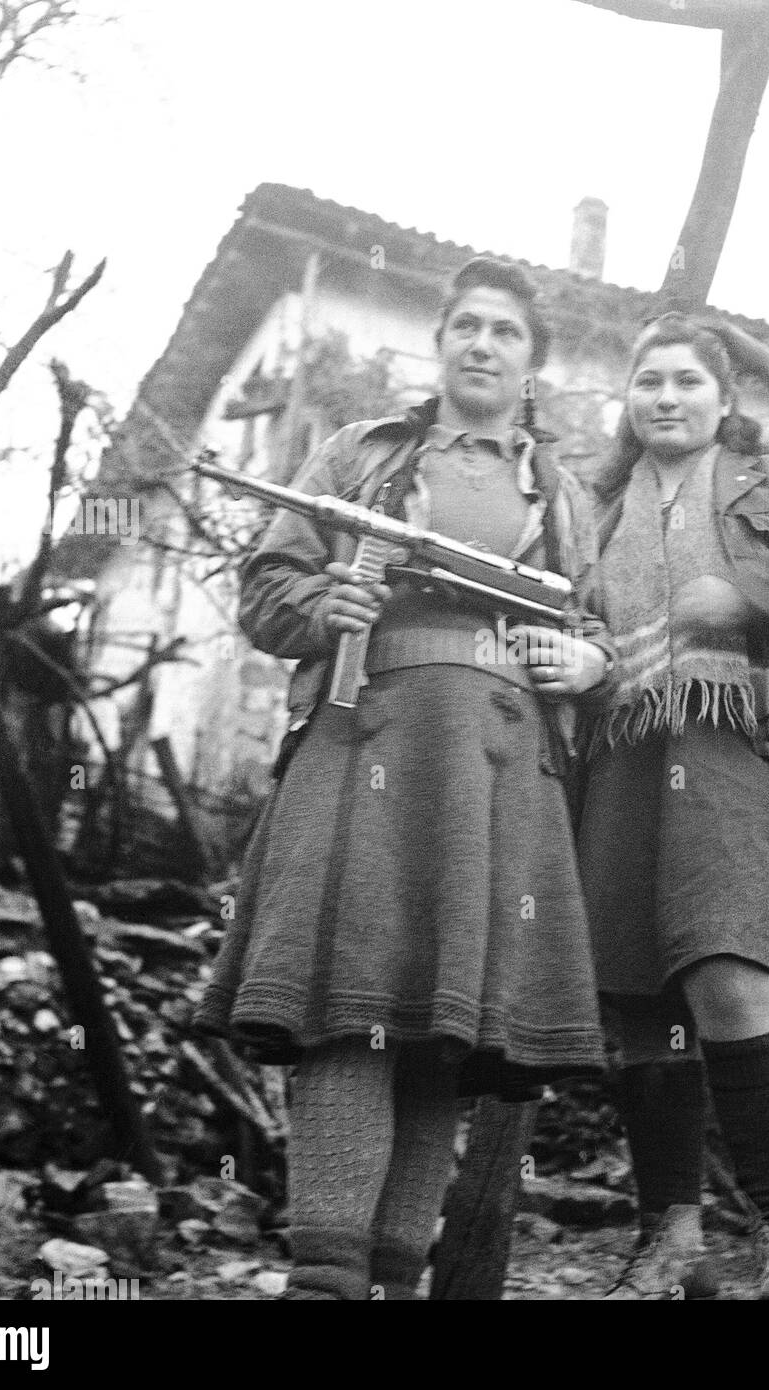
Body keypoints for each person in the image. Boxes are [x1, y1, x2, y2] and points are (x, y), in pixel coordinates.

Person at [195, 257, 614, 1300]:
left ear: (530, 365)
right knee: (350, 1001)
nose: (480, 343)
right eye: (464, 325)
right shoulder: (362, 457)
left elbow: (595, 624)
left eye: (504, 332)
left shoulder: (559, 497)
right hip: (363, 739)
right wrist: (324, 602)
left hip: (503, 767)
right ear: (439, 343)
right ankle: (324, 1281)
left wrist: (588, 661)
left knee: (444, 1029)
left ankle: (391, 1278)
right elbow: (267, 588)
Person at [577, 312, 769, 1299]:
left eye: (687, 382)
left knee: (731, 969)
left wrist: (742, 590)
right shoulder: (588, 501)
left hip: (739, 744)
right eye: (649, 383)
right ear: (628, 401)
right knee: (633, 1000)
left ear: (723, 399)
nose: (666, 397)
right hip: (618, 750)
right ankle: (668, 1234)